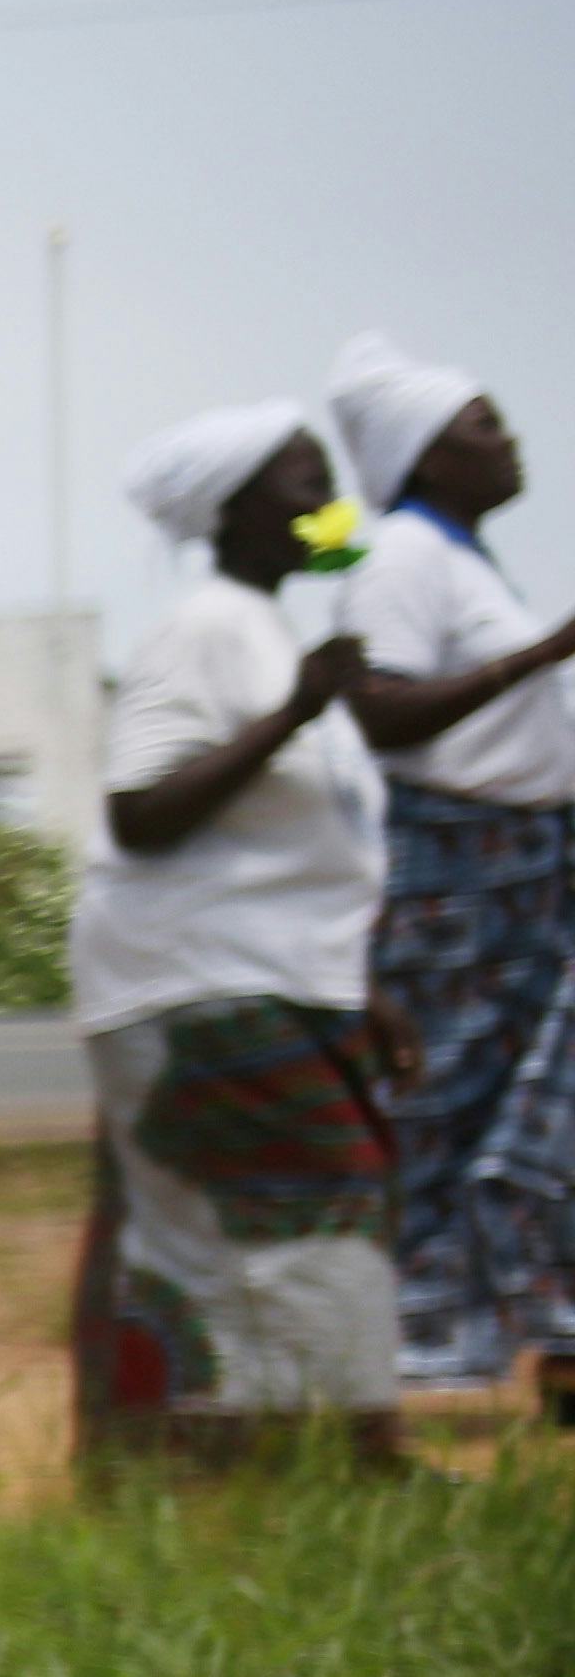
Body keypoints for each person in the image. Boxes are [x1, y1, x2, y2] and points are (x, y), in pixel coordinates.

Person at [68, 404, 401, 1469]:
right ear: (233, 510)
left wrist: (363, 986)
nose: (325, 502)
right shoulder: (205, 628)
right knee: (308, 1208)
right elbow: (140, 809)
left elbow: (308, 851)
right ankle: (344, 1455)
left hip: (269, 976)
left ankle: (161, 1459)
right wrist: (294, 714)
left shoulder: (270, 633)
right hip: (199, 982)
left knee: (207, 1238)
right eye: (303, 483)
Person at [329, 331, 575, 1419]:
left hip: (522, 870)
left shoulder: (462, 557)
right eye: (483, 424)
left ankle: (535, 1331)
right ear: (425, 457)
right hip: (453, 876)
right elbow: (375, 709)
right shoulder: (403, 560)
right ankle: (429, 1341)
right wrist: (544, 653)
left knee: (524, 1106)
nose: (508, 439)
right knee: (446, 1110)